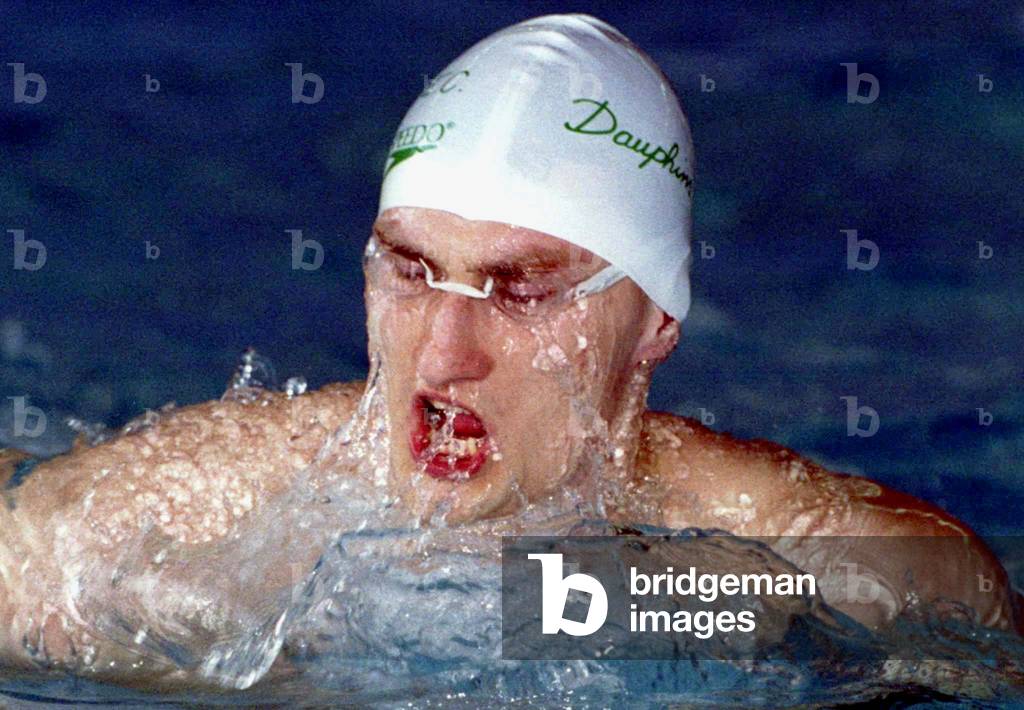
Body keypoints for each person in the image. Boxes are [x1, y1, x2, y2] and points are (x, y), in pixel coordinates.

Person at [0, 13, 1018, 683]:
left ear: (655, 321)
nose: (442, 354)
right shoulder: (213, 502)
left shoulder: (820, 560)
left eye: (521, 287)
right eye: (408, 269)